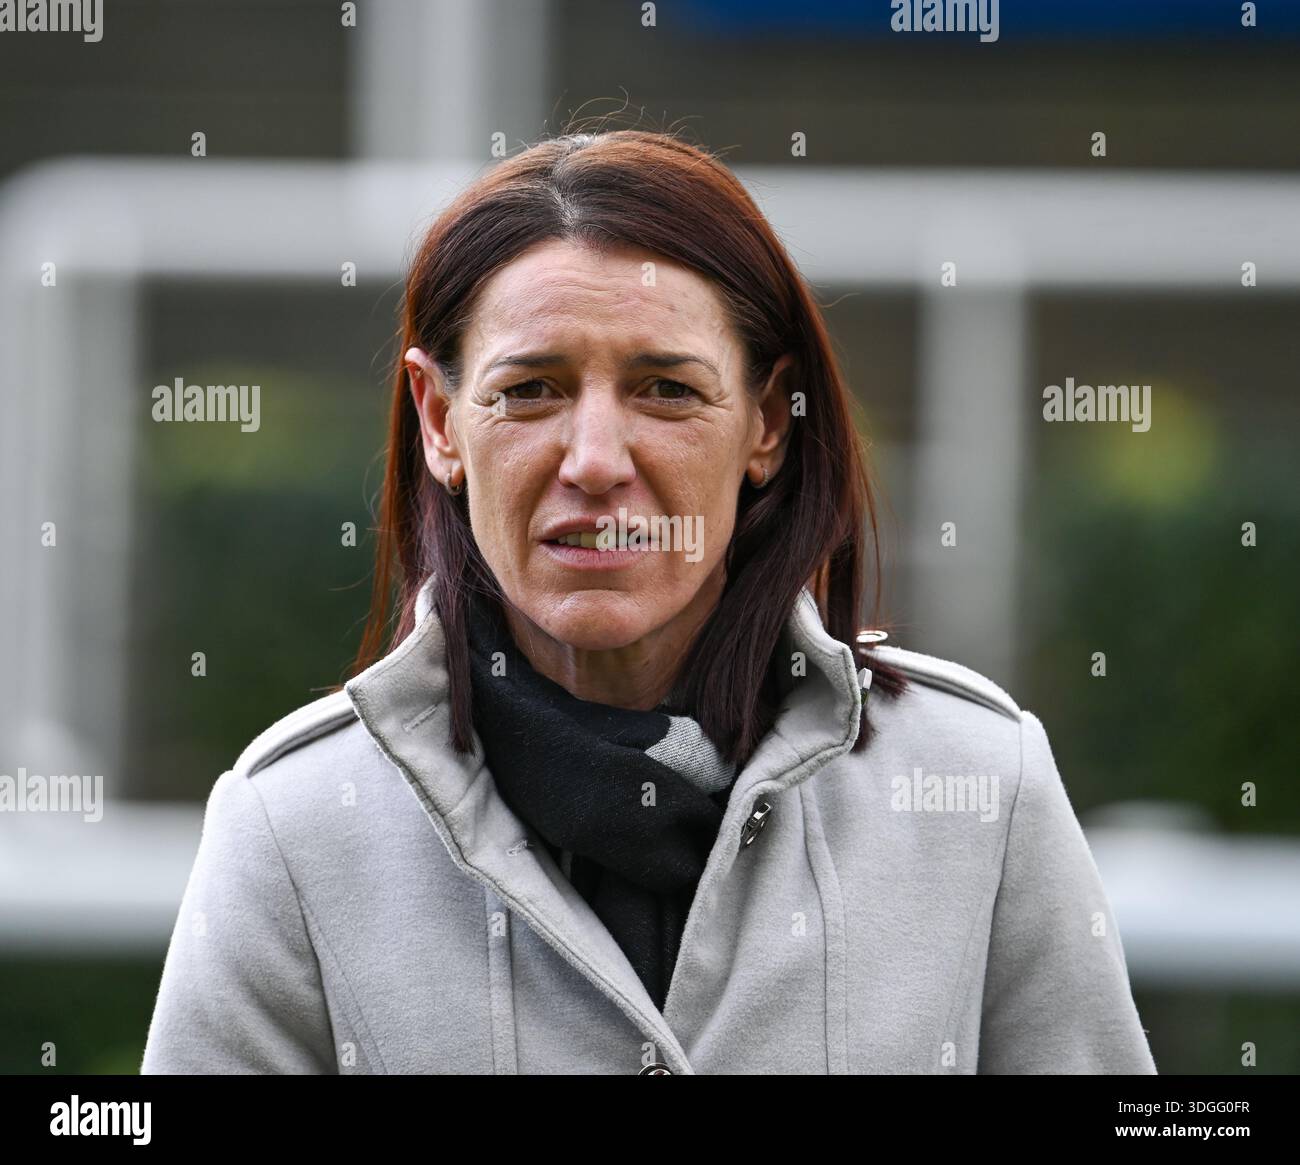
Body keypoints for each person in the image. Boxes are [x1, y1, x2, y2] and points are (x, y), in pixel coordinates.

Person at [140, 129, 1156, 1075]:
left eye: (665, 389)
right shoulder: (294, 828)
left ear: (765, 422)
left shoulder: (978, 787)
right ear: (440, 421)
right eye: (531, 388)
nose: (593, 460)